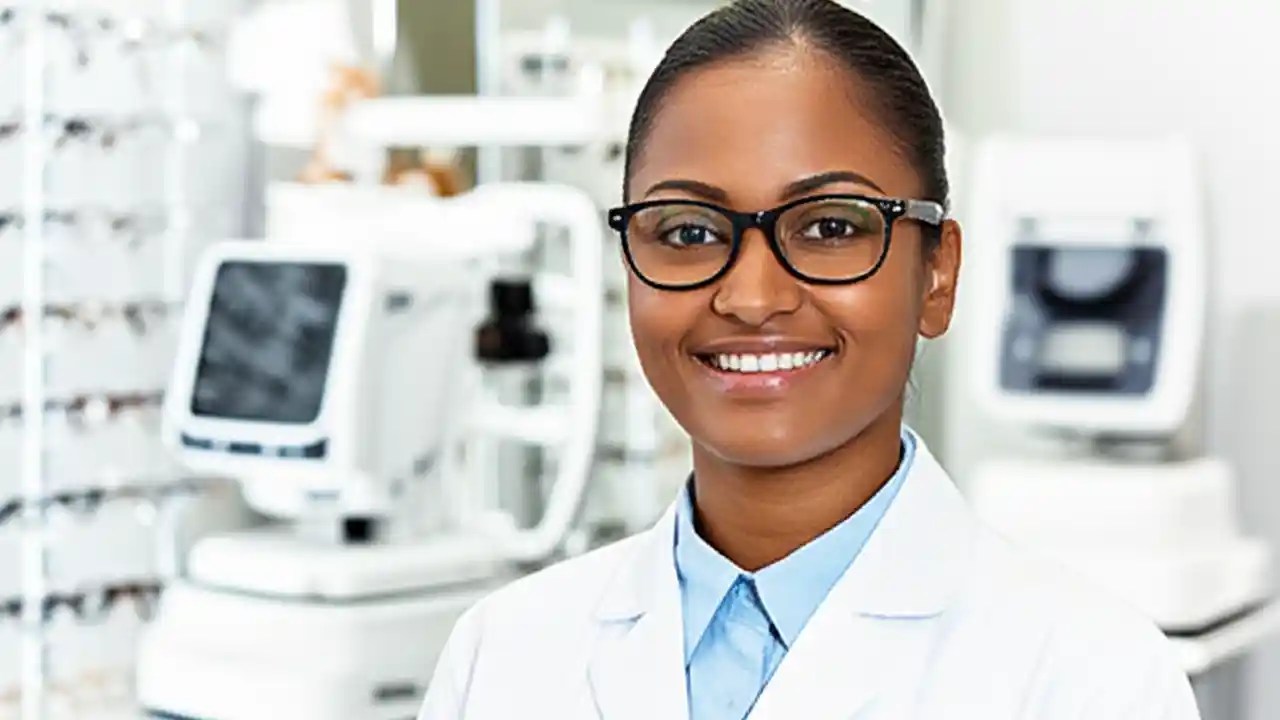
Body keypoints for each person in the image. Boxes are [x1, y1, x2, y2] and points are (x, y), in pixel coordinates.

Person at [418, 0, 1200, 717]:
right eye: (689, 232)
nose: (751, 297)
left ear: (938, 274)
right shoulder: (502, 657)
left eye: (830, 228)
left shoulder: (1091, 678)